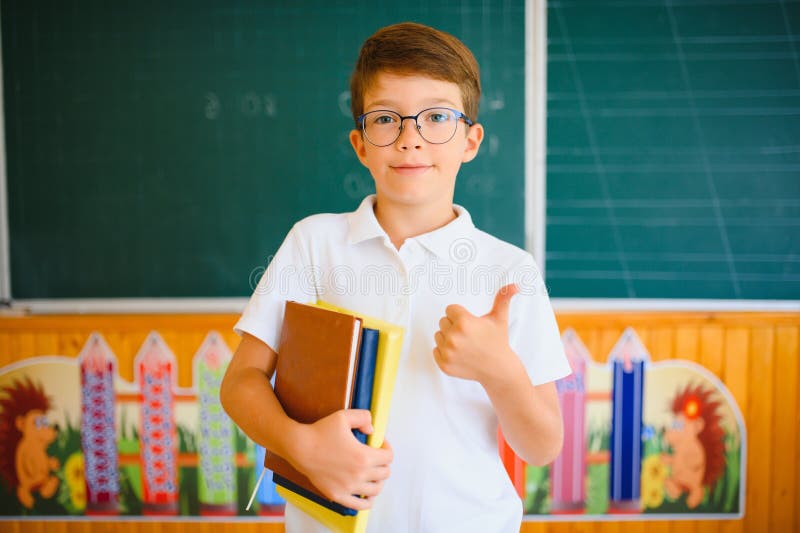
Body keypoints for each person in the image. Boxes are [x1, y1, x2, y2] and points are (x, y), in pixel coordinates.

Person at [220, 22, 571, 533]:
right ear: (361, 144)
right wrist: (301, 444)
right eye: (387, 119)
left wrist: (501, 371)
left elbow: (542, 446)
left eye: (435, 117)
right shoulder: (314, 243)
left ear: (471, 141)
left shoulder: (509, 271)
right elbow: (240, 383)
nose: (410, 139)